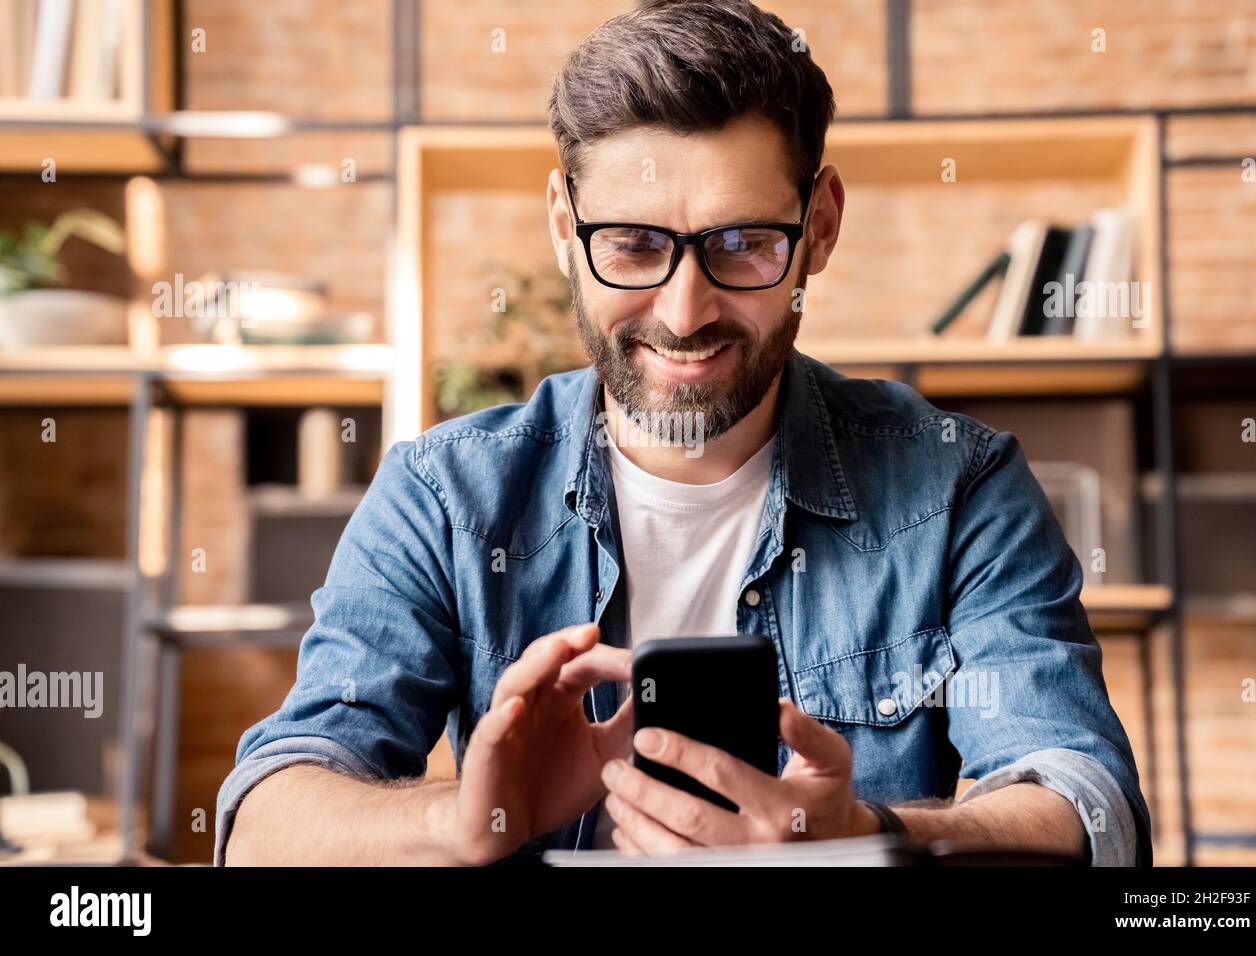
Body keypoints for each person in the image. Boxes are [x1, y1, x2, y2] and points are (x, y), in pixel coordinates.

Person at [218, 0, 1150, 867]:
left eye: (743, 243)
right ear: (563, 226)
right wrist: (459, 818)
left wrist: (868, 835)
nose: (683, 309)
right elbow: (263, 817)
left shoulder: (960, 486)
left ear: (818, 227)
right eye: (631, 244)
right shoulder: (443, 494)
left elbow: (1086, 800)